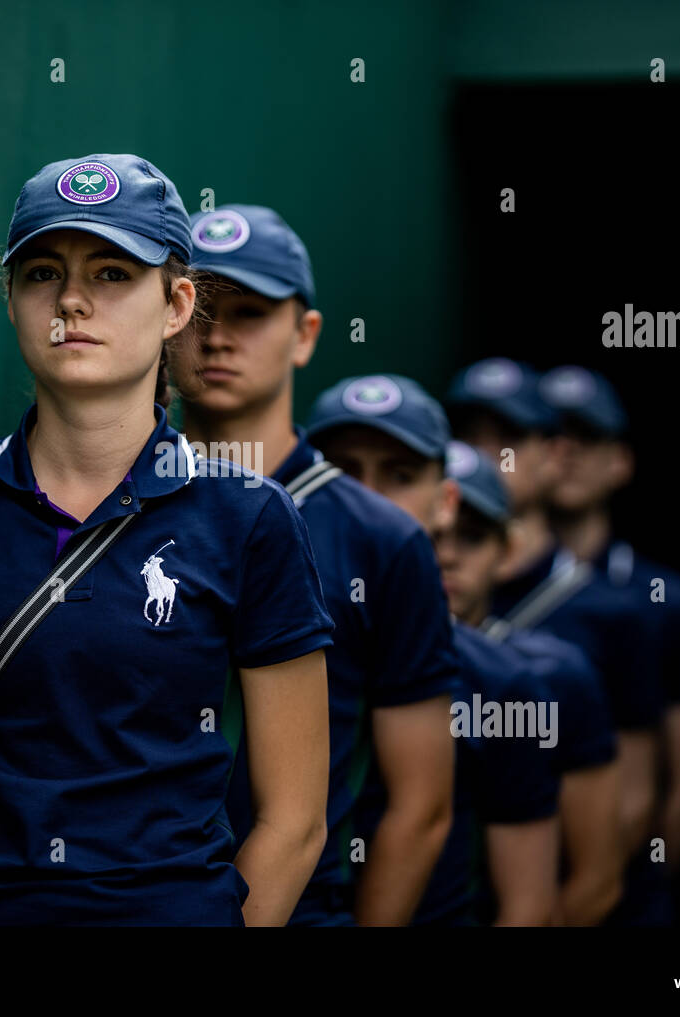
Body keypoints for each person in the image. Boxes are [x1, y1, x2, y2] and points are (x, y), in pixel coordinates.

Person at [0, 155, 336, 926]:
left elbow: (296, 818)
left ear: (177, 304)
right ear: (11, 300)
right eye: (42, 272)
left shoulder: (251, 517)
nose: (72, 299)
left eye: (113, 273)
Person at [170, 205, 460, 926]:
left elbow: (420, 804)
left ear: (305, 335)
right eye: (199, 307)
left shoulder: (383, 538)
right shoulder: (109, 499)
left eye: (250, 311)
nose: (217, 335)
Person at [303, 379, 563, 925]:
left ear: (445, 501)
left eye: (399, 475)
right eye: (341, 471)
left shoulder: (505, 682)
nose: (365, 496)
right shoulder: (271, 642)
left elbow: (529, 906)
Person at [445, 358, 664, 894]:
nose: (484, 452)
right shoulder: (414, 596)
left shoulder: (612, 611)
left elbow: (633, 808)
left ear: (555, 453)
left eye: (509, 437)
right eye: (467, 433)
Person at [540, 364, 680, 923]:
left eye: (587, 437)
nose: (567, 451)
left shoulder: (669, 601)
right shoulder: (474, 582)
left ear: (621, 462)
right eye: (551, 435)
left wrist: (628, 895)